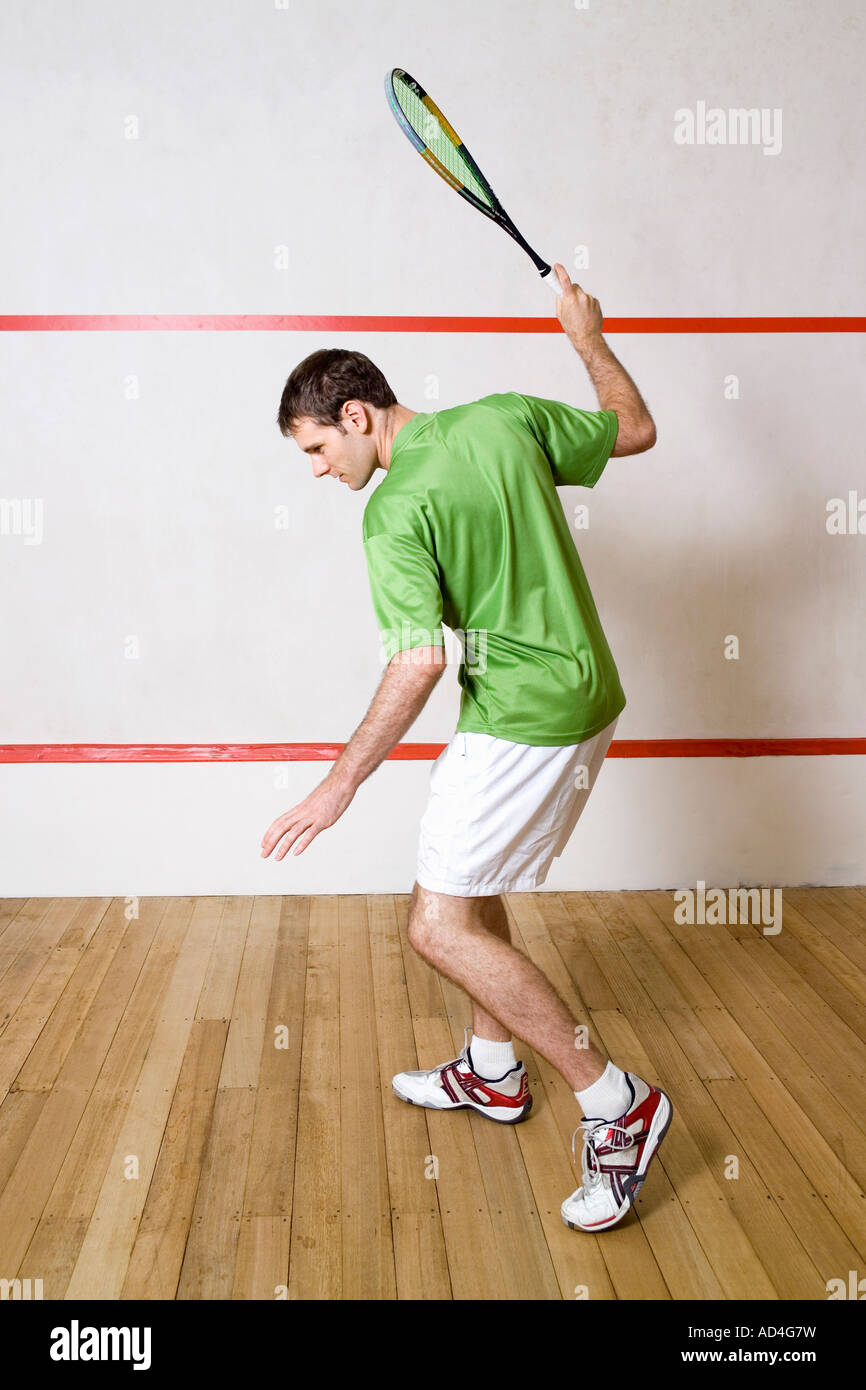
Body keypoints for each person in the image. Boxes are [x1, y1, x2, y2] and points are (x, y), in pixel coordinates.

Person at [261, 263, 673, 1232]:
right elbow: (633, 428)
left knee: (434, 926)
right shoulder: (500, 416)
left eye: (317, 447)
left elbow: (414, 664)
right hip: (584, 692)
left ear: (357, 415)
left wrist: (336, 786)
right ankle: (492, 1073)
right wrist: (583, 334)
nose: (317, 470)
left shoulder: (392, 512)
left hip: (522, 716)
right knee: (470, 884)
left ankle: (616, 1103)